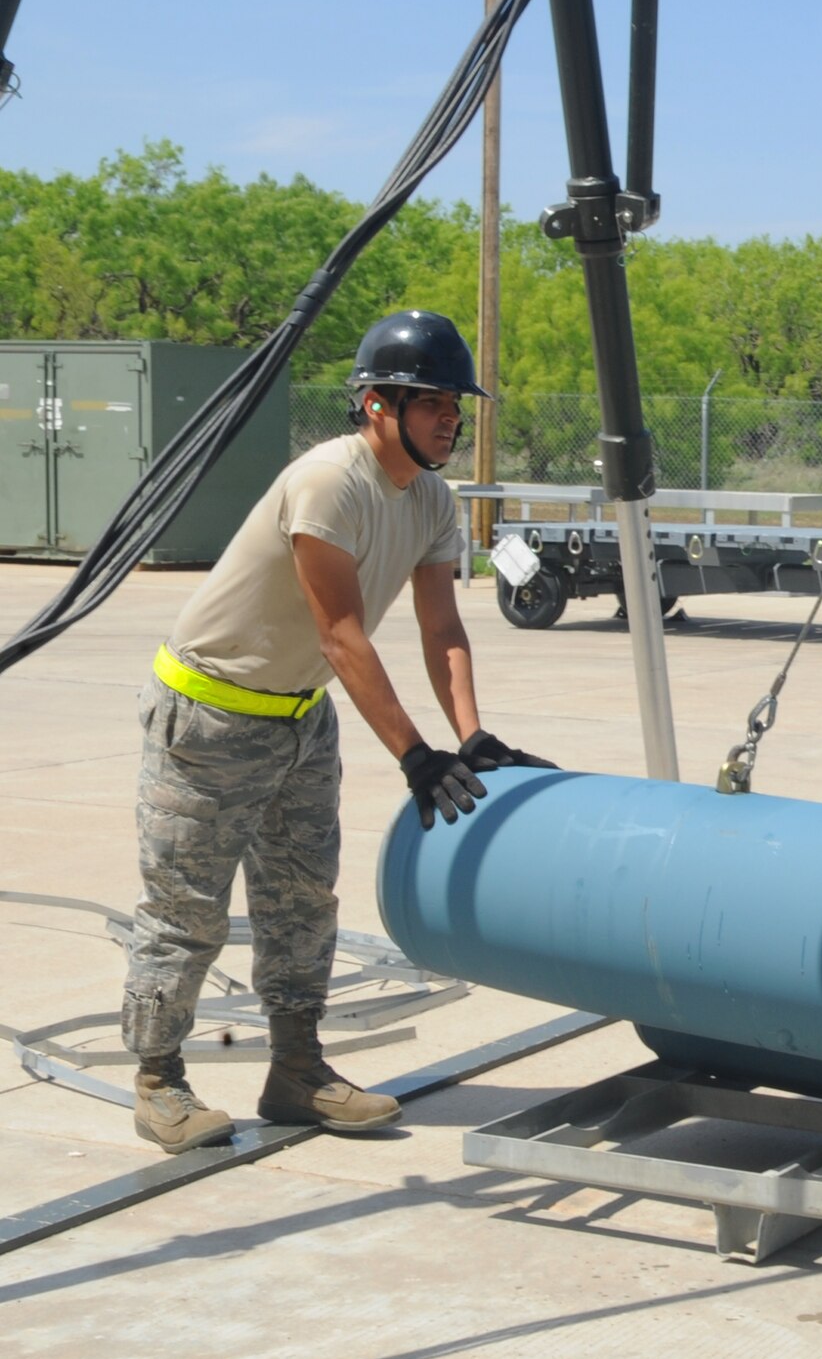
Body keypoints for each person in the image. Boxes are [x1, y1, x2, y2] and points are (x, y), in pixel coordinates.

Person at [123, 309, 554, 1155]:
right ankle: (160, 1080)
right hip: (209, 715)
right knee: (186, 912)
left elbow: (443, 630)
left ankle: (296, 1071)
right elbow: (342, 634)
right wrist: (413, 755)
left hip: (299, 721)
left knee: (301, 904)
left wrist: (469, 736)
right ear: (375, 405)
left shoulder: (431, 497)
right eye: (431, 400)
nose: (450, 418)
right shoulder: (329, 481)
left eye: (454, 404)